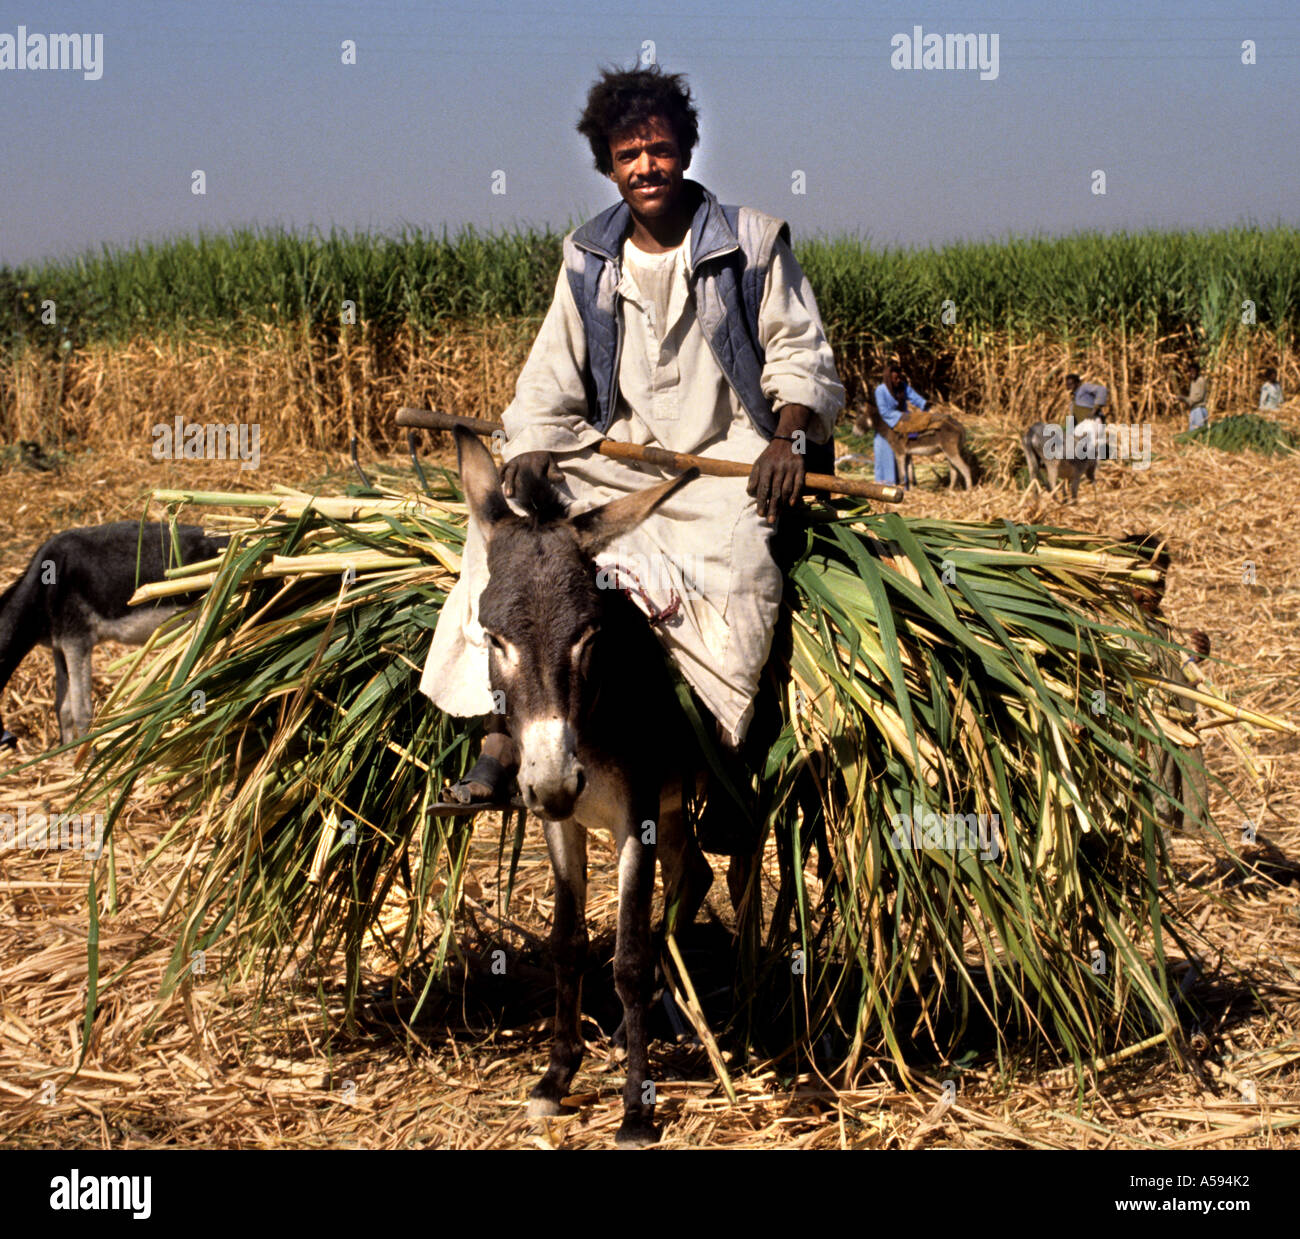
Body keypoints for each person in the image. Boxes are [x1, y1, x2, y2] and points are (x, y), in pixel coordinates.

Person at [421, 64, 844, 803]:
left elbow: (800, 353)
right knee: (497, 536)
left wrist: (789, 438)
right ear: (608, 166)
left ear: (686, 148)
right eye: (628, 155)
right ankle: (496, 729)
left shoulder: (750, 243)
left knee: (747, 554)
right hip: (615, 462)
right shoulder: (588, 258)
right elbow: (548, 377)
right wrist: (529, 450)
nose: (645, 166)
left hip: (727, 464)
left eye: (659, 148)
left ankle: (723, 750)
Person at [871, 362, 927, 485]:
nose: (898, 381)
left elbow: (915, 398)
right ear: (889, 379)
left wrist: (925, 405)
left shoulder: (902, 387)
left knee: (903, 454)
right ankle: (887, 484)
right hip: (886, 428)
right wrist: (903, 416)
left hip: (901, 426)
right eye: (895, 378)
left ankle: (904, 482)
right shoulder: (881, 390)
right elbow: (884, 412)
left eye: (899, 378)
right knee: (886, 455)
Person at [1181, 361, 1209, 431]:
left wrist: (1185, 399)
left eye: (1193, 371)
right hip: (1194, 410)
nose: (1192, 373)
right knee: (1192, 432)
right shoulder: (1193, 382)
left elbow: (1198, 396)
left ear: (1197, 371)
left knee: (1199, 431)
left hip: (1199, 409)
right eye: (1190, 371)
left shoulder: (1200, 380)